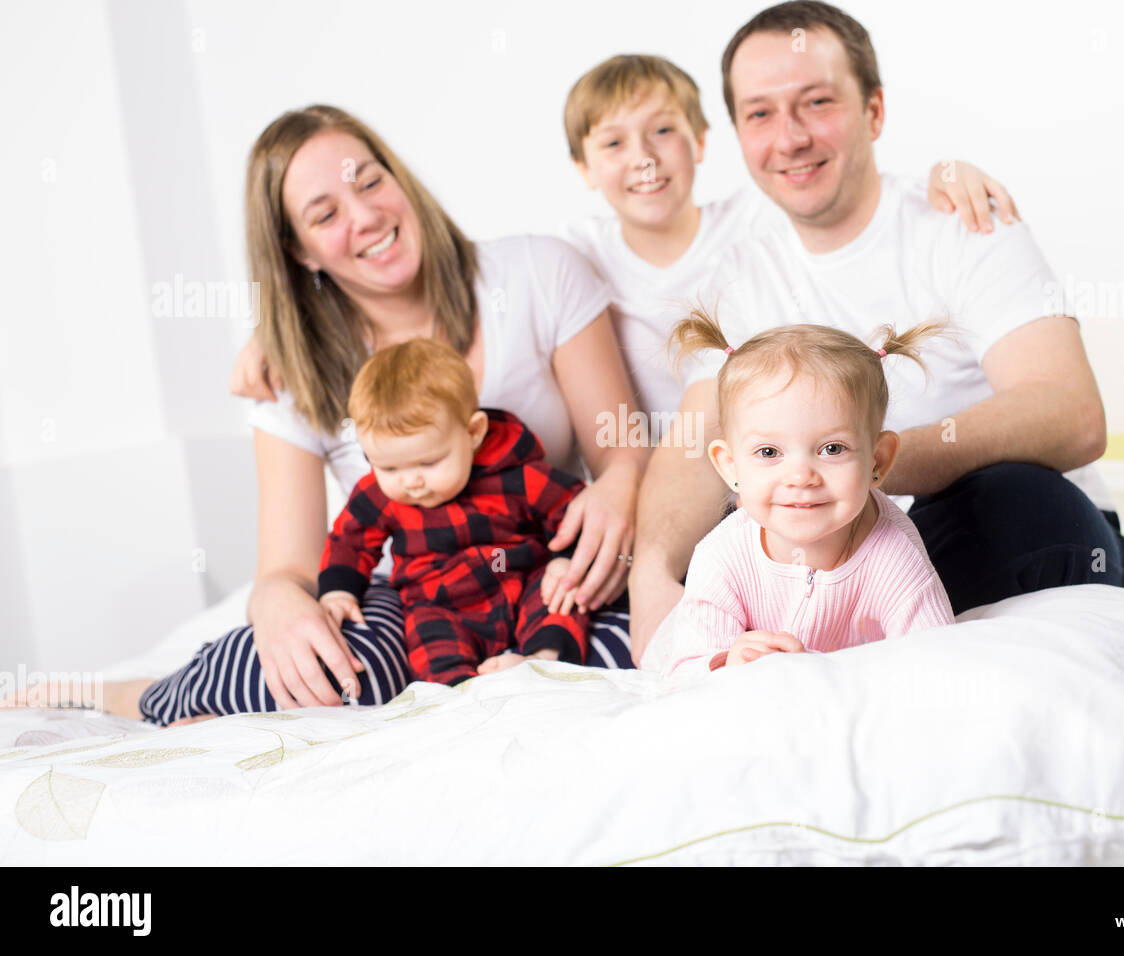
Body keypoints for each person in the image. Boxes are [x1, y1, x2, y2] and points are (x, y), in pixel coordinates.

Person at [3, 105, 647, 724]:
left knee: (627, 640)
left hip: (538, 562)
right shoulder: (292, 367)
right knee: (332, 677)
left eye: (371, 182)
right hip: (417, 593)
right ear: (300, 251)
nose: (365, 215)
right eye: (326, 213)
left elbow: (620, 448)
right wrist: (282, 606)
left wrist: (618, 487)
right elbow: (286, 569)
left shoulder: (538, 273)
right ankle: (141, 696)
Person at [628, 1, 1124, 663]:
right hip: (828, 550)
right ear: (739, 135)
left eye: (817, 102)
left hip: (987, 525)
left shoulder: (963, 223)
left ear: (874, 111)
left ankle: (837, 632)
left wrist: (850, 465)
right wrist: (651, 569)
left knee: (1021, 500)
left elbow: (1072, 414)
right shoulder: (740, 273)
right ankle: (800, 643)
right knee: (740, 535)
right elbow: (695, 442)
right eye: (760, 113)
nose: (789, 137)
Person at [559, 52, 1022, 423]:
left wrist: (946, 174)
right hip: (662, 470)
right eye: (613, 143)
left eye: (663, 131)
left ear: (700, 141)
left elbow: (845, 190)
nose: (644, 159)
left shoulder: (756, 217)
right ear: (583, 168)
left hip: (765, 459)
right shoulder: (577, 254)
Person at [641, 314, 954, 680]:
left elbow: (936, 661)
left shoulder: (892, 554)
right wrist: (728, 666)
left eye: (832, 448)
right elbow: (684, 673)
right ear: (731, 468)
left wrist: (821, 675)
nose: (801, 476)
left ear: (878, 460)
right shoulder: (723, 555)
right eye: (769, 453)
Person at [317, 338, 590, 689]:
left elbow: (571, 508)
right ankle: (460, 694)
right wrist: (338, 590)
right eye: (388, 467)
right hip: (438, 600)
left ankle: (543, 663)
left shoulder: (516, 474)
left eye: (429, 462)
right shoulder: (377, 494)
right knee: (431, 647)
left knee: (561, 596)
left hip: (517, 576)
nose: (411, 481)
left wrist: (565, 559)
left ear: (473, 432)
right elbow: (349, 541)